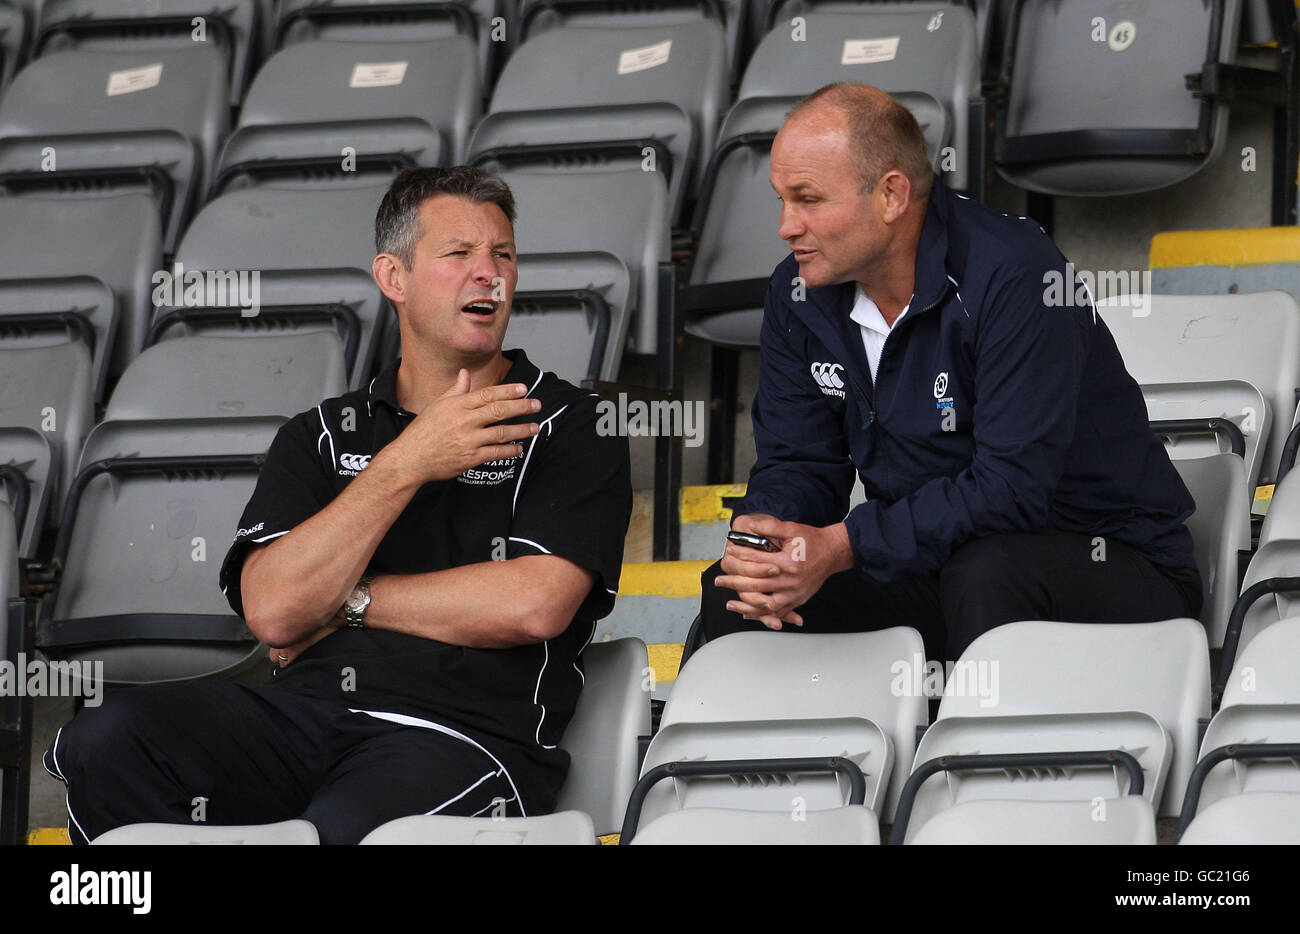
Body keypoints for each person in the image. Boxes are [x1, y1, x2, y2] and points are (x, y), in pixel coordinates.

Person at [43, 166, 632, 844]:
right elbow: (274, 610)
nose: (489, 274)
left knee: (338, 830)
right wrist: (407, 461)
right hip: (302, 717)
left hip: (463, 738)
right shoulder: (321, 434)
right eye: (459, 254)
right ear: (393, 277)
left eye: (503, 254)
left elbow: (535, 602)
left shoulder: (574, 421)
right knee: (110, 736)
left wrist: (352, 602)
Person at [699, 83, 1201, 663]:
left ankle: (983, 755)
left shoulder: (1014, 272)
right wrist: (765, 541)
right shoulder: (798, 291)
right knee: (735, 596)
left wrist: (843, 544)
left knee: (986, 574)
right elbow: (798, 461)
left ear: (891, 195)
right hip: (934, 565)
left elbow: (1011, 490)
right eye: (780, 200)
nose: (786, 226)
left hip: (1112, 560)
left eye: (808, 199)